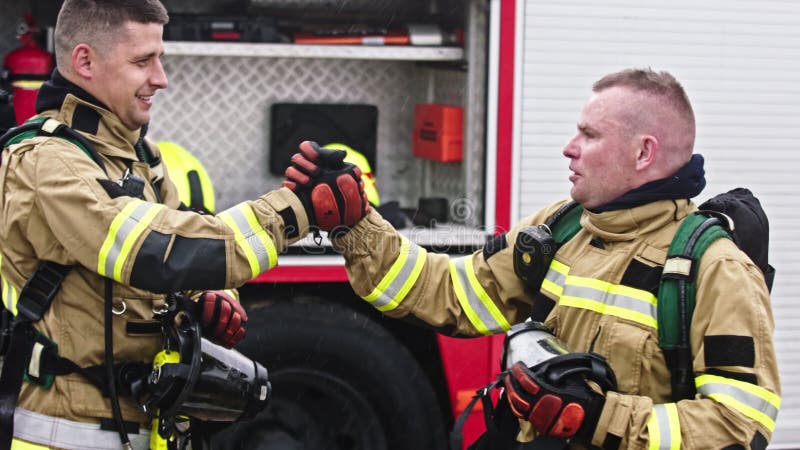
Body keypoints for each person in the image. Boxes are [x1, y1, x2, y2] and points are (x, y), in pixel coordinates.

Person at [285, 68, 781, 448]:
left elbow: (740, 425)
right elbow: (451, 295)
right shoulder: (563, 227)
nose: (569, 149)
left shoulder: (713, 267)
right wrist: (355, 225)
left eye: (589, 135)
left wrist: (598, 417)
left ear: (643, 153)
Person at [0, 1, 369, 449]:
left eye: (160, 58)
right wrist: (293, 212)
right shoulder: (45, 162)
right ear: (85, 61)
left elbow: (184, 244)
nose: (161, 78)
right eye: (142, 61)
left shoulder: (138, 156)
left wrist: (207, 296)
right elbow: (152, 250)